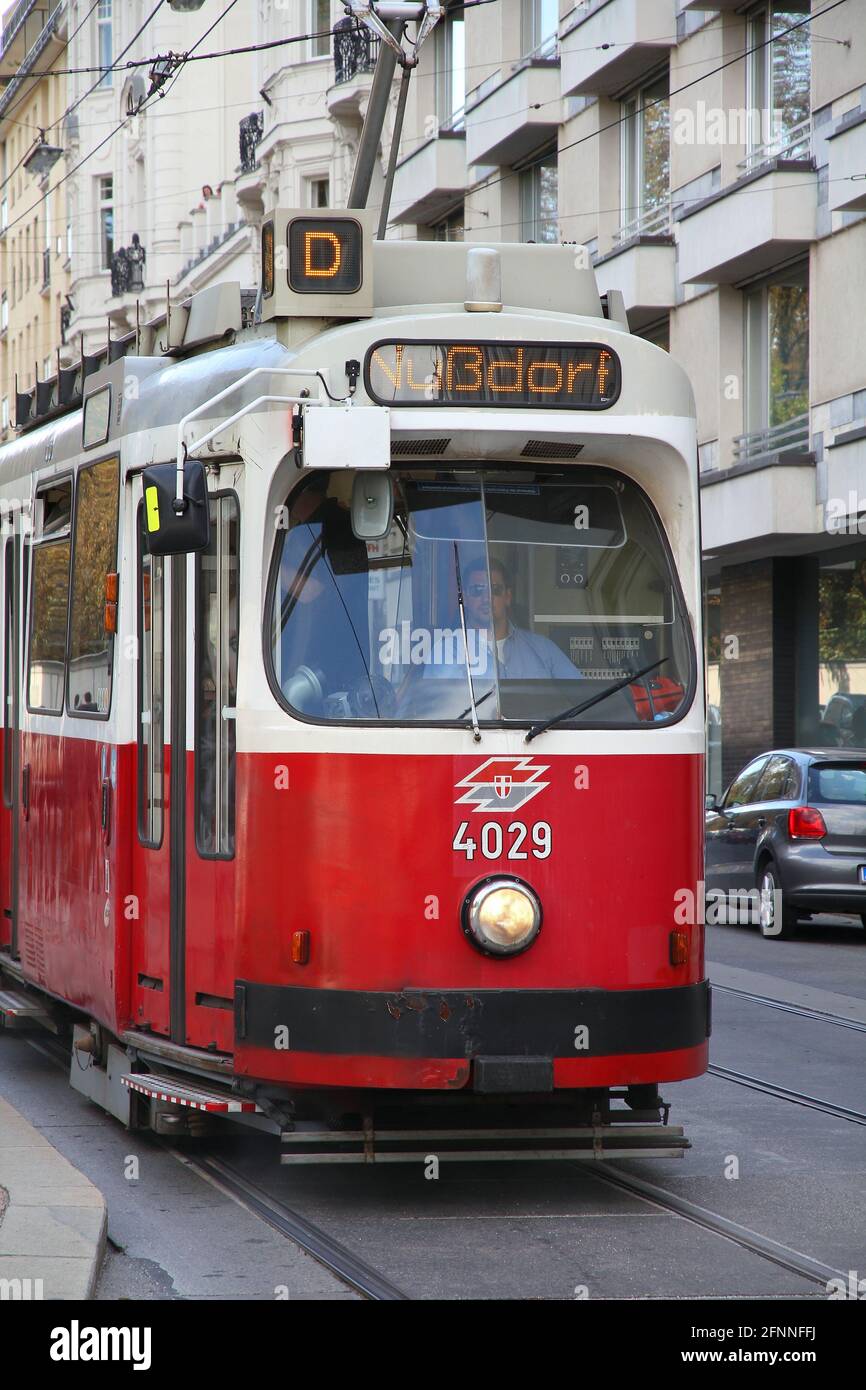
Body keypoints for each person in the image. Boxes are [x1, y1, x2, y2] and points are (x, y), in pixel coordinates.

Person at [463, 557, 582, 680]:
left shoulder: (543, 649)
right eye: (477, 590)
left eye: (495, 589)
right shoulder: (449, 652)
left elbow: (580, 693)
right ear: (465, 598)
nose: (486, 598)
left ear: (508, 596)